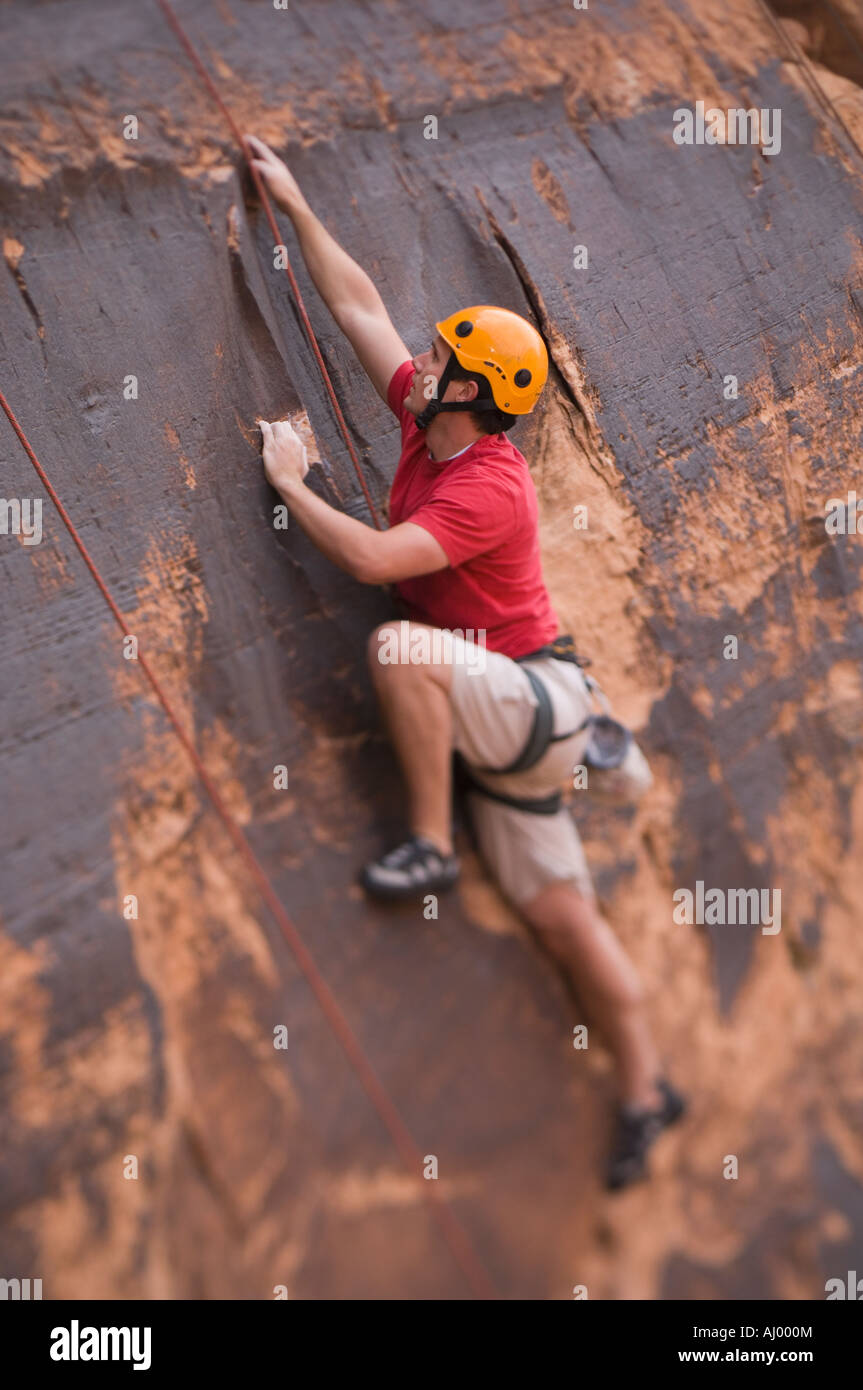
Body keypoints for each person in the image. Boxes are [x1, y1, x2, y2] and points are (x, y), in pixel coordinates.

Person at [246, 134, 686, 1190]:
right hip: (512, 716)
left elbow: (368, 559)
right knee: (562, 922)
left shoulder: (486, 485)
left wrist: (290, 479)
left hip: (526, 696)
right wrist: (296, 205)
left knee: (400, 643)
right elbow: (357, 308)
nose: (423, 361)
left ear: (470, 392)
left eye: (442, 361)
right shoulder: (428, 422)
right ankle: (647, 1090)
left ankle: (434, 845)